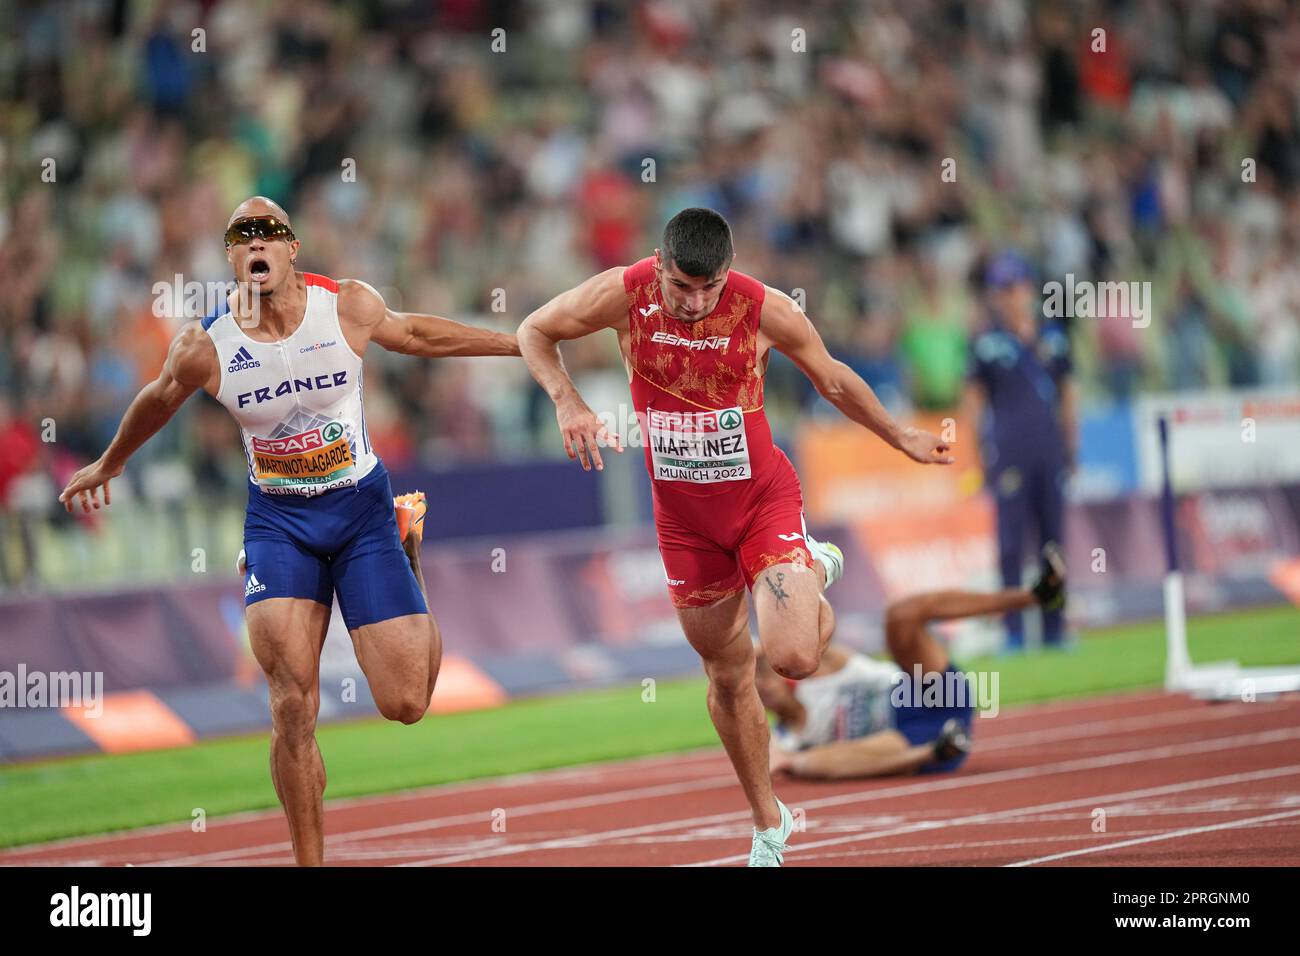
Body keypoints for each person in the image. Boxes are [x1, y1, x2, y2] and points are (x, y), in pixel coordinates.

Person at [58, 197, 519, 866]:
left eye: (268, 233)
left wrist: (515, 342)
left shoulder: (347, 307)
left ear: (292, 248)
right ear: (231, 257)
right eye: (242, 236)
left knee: (407, 702)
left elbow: (417, 335)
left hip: (362, 512)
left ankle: (408, 554)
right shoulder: (206, 344)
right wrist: (110, 461)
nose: (257, 244)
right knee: (292, 705)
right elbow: (158, 400)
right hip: (279, 522)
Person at [517, 207, 953, 866]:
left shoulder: (764, 309)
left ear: (729, 272)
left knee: (793, 659)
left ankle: (812, 566)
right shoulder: (623, 293)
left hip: (760, 504)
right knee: (726, 676)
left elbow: (831, 378)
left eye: (708, 289)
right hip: (685, 525)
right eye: (681, 288)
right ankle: (767, 822)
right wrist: (567, 400)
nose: (694, 304)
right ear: (660, 266)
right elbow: (533, 330)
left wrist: (901, 436)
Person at [761, 545, 1066, 780]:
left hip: (926, 686)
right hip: (914, 743)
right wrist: (789, 761)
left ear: (782, 672)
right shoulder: (790, 739)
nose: (762, 688)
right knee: (807, 763)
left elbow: (794, 637)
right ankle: (933, 753)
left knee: (900, 611)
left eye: (763, 678)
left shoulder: (819, 670)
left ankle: (1036, 595)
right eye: (756, 690)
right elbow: (805, 761)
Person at [961, 252, 1077, 651]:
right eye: (1002, 290)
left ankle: (1055, 628)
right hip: (1009, 454)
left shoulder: (1054, 338)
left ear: (1028, 288)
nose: (1010, 296)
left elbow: (1068, 396)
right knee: (1010, 546)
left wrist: (1071, 450)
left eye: (1015, 287)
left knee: (1052, 545)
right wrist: (976, 457)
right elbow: (973, 403)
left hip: (1049, 452)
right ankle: (1012, 631)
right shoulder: (987, 344)